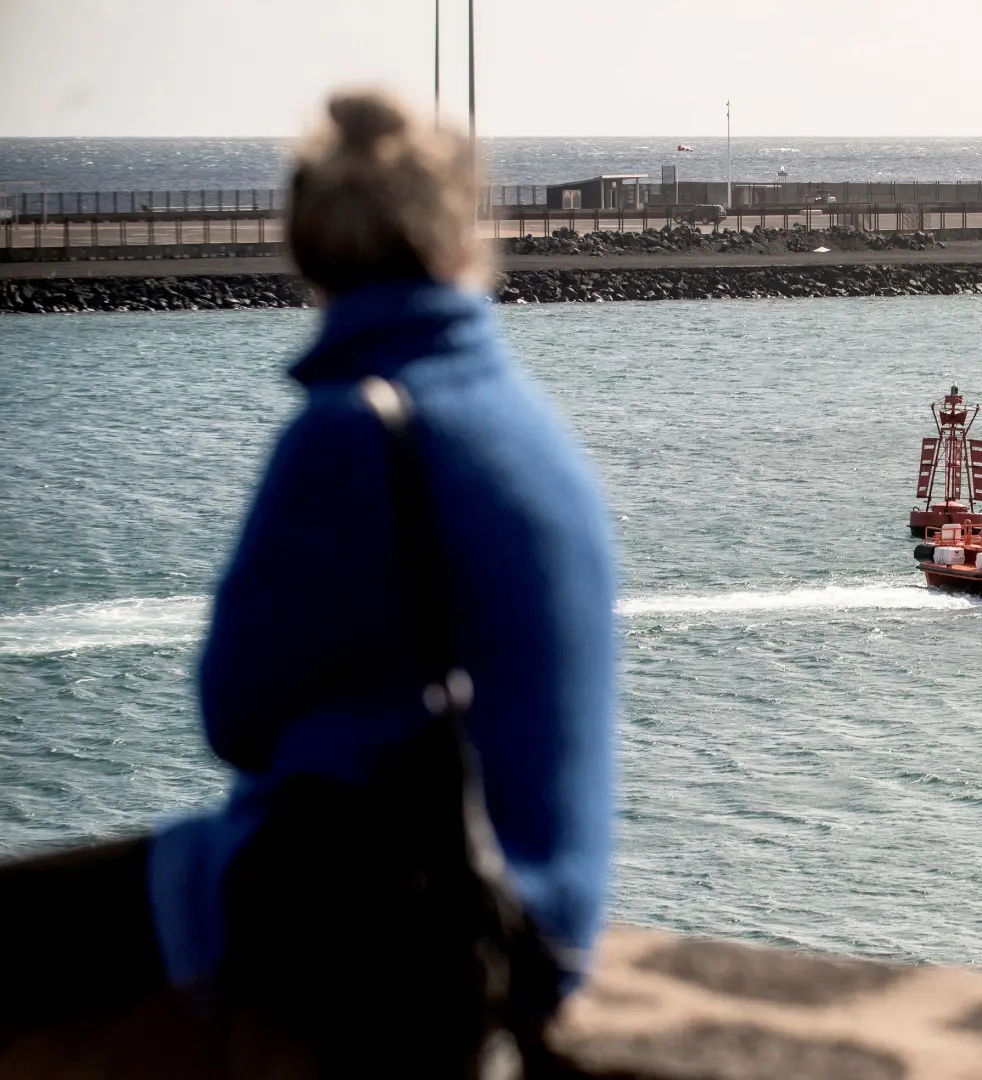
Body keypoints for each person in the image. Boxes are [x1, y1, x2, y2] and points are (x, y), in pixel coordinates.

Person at [0, 89, 617, 1056]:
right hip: (542, 919)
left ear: (307, 247)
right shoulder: (523, 418)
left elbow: (232, 714)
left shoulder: (353, 431)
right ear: (465, 238)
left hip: (412, 924)